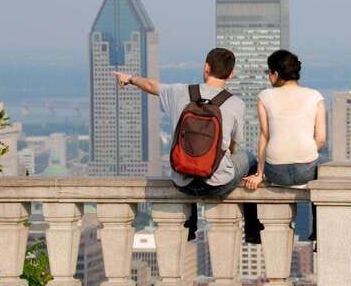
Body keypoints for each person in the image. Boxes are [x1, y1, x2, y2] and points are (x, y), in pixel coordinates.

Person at [112, 48, 252, 239]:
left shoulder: (179, 92)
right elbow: (235, 145)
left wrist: (130, 78)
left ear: (206, 68)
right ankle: (252, 228)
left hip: (182, 181)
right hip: (217, 184)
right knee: (250, 158)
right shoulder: (236, 103)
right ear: (231, 74)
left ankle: (190, 227)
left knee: (191, 165)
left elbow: (152, 86)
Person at [242, 49, 326, 240]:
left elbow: (264, 136)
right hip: (306, 169)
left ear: (276, 74)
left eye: (269, 73)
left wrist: (260, 174)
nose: (269, 77)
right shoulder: (315, 96)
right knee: (325, 168)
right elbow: (320, 139)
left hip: (275, 171)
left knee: (251, 165)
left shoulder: (265, 96)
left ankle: (253, 233)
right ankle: (318, 233)